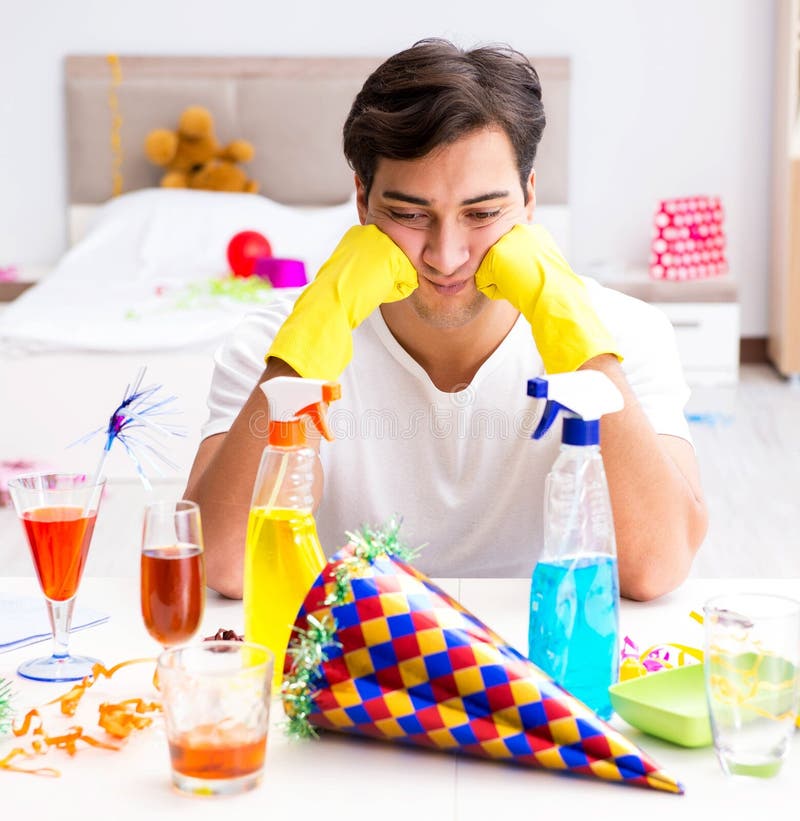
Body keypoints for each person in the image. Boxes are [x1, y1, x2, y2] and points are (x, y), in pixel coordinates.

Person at [185, 38, 708, 602]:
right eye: (410, 214)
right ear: (362, 201)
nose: (446, 255)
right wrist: (315, 332)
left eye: (483, 213)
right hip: (356, 647)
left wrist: (580, 343)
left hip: (542, 647)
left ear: (529, 199)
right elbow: (228, 565)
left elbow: (657, 567)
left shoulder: (625, 333)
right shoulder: (274, 345)